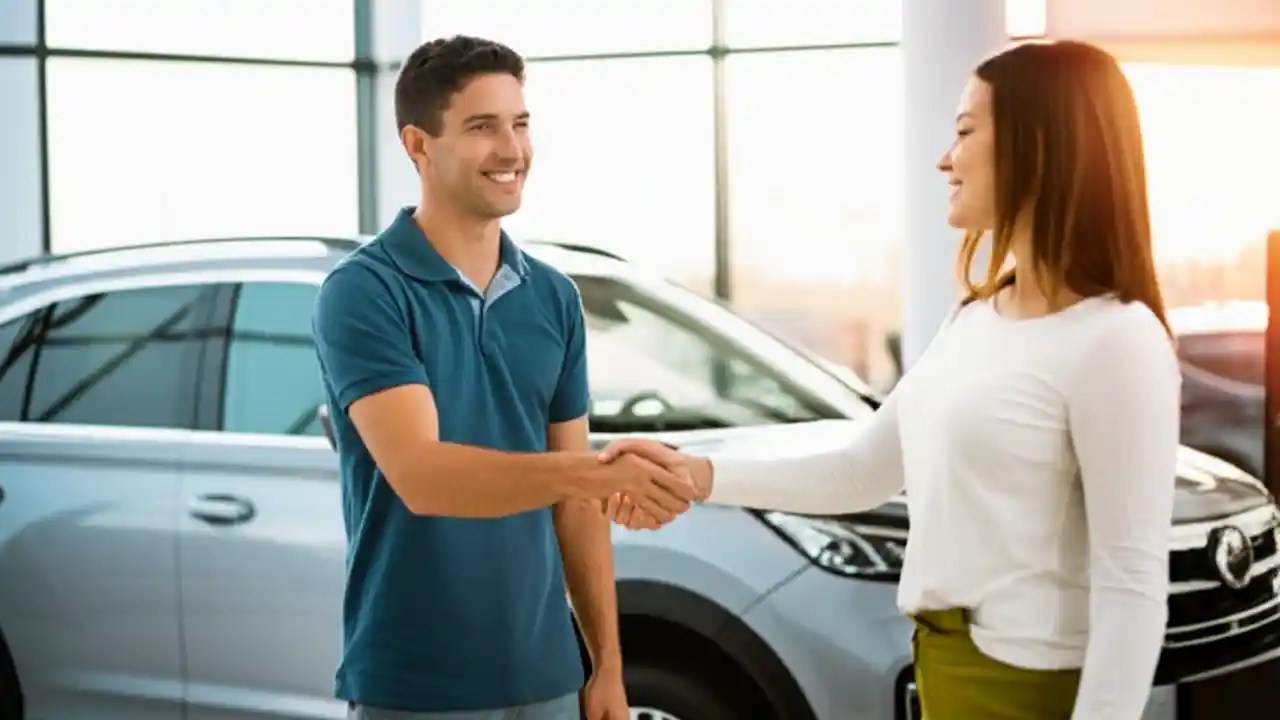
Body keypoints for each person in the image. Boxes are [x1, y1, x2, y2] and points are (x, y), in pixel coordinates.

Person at [600, 39, 1180, 719]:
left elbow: (1132, 580)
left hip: (1034, 692)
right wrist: (694, 475)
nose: (944, 158)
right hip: (945, 673)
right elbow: (860, 474)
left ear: (1039, 145)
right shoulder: (974, 319)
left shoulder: (1116, 338)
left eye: (965, 131)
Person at [312, 35, 698, 720]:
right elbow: (423, 476)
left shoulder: (553, 296)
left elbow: (574, 505)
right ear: (417, 145)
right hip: (416, 684)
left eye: (519, 124)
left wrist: (605, 664)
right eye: (482, 127)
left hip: (546, 678)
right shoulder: (364, 292)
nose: (512, 150)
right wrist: (593, 472)